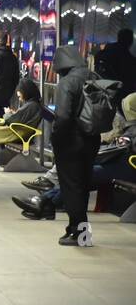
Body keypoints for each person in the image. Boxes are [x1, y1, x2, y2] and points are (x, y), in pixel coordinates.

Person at [50, 44, 102, 246]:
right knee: (82, 185)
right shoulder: (94, 77)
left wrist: (56, 137)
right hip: (92, 138)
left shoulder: (67, 82)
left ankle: (80, 234)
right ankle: (77, 231)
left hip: (71, 140)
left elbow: (62, 116)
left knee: (71, 188)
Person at [0, 78, 43, 172]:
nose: (18, 96)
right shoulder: (33, 104)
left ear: (26, 91)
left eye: (20, 93)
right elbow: (19, 117)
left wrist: (8, 113)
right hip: (21, 132)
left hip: (20, 134)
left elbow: (12, 119)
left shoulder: (31, 105)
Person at [94, 28, 136, 96]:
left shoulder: (104, 52)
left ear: (118, 37)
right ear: (130, 41)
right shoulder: (129, 60)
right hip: (118, 94)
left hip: (100, 90)